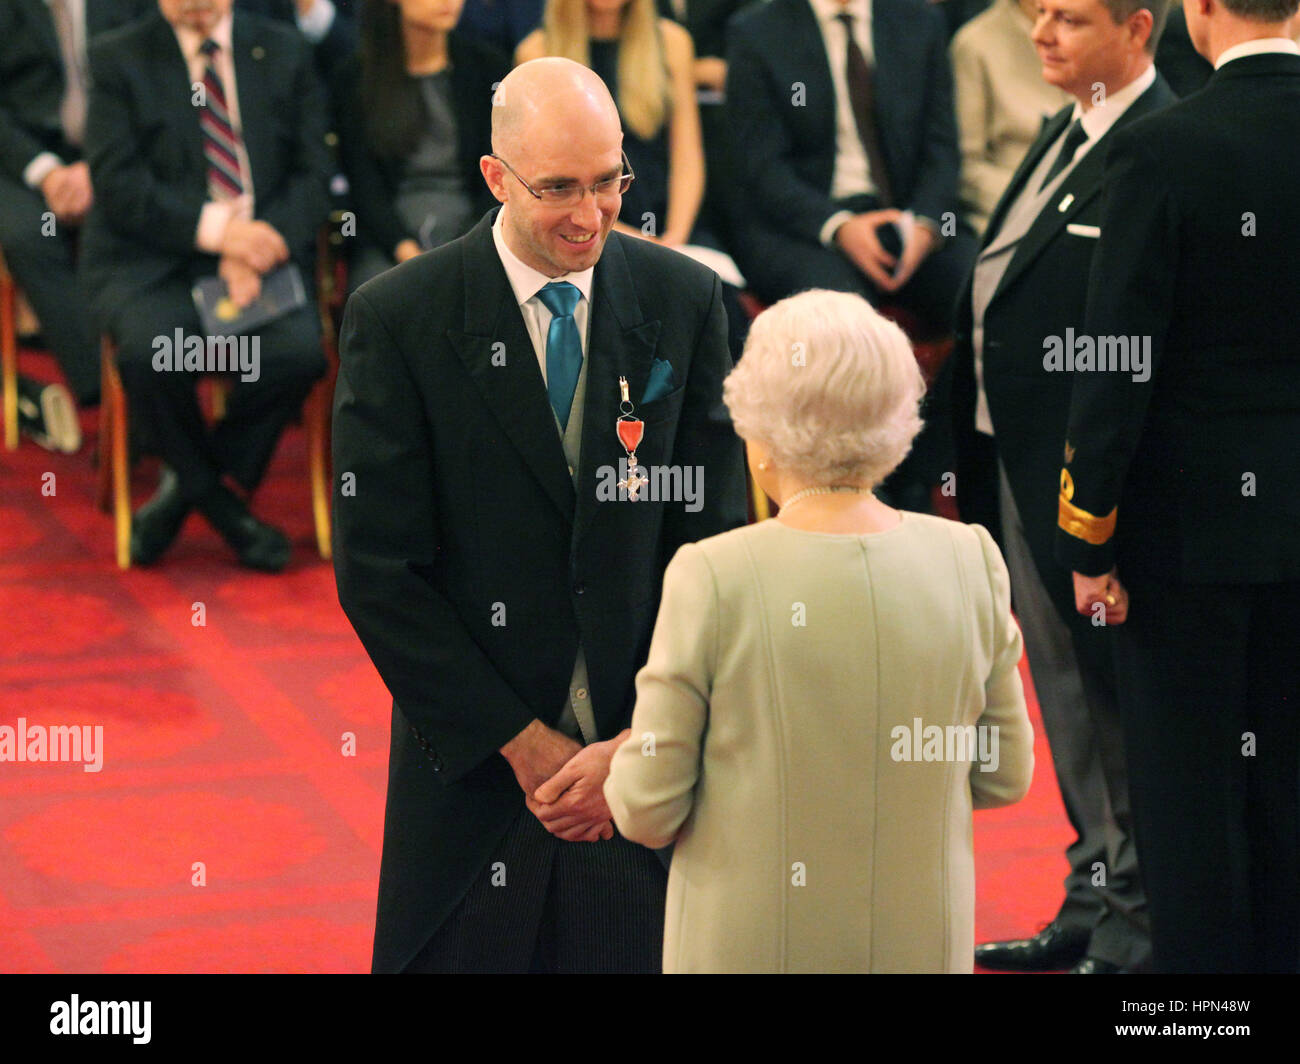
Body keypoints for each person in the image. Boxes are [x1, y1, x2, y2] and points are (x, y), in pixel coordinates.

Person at [332, 56, 747, 974]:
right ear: (494, 177)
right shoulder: (400, 318)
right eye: (558, 188)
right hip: (476, 796)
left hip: (640, 793)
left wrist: (632, 748)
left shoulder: (685, 301)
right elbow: (379, 572)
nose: (590, 215)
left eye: (610, 183)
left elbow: (713, 550)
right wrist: (524, 748)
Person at [603, 289, 1034, 973]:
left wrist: (626, 753)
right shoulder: (970, 557)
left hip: (752, 942)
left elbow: (647, 808)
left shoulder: (714, 574)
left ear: (759, 426)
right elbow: (1003, 774)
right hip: (919, 941)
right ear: (900, 416)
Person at [1056, 0, 1300, 973]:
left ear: (1197, 12)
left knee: (1190, 809)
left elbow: (1116, 363)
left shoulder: (1161, 148)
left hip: (1184, 541)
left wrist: (1089, 536)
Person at [948, 0, 1174, 975]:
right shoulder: (1066, 125)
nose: (1041, 32)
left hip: (1081, 479)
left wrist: (1099, 511)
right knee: (1060, 694)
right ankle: (1090, 886)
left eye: (1069, 19)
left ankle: (1135, 919)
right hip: (1014, 455)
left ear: (1139, 29)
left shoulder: (1153, 142)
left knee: (1109, 704)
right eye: (1035, 13)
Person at [81, 0, 332, 569]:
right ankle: (223, 509)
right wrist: (223, 236)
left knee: (295, 355)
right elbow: (119, 186)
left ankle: (183, 492)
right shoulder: (119, 57)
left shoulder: (283, 49)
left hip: (260, 257)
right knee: (152, 355)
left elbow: (314, 173)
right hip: (151, 261)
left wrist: (261, 241)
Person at [723, 0, 976, 334]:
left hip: (904, 216)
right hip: (804, 227)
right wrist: (839, 227)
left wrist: (926, 225)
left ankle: (952, 389)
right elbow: (761, 166)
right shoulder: (756, 30)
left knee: (983, 285)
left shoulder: (921, 22)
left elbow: (942, 148)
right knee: (843, 319)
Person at [517, 0, 747, 354]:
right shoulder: (537, 52)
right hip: (586, 222)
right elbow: (551, 181)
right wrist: (636, 241)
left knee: (719, 308)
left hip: (671, 221)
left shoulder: (672, 41)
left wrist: (675, 236)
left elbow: (687, 156)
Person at [0, 0, 154, 452]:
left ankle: (157, 383)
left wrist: (99, 167)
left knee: (140, 225)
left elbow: (153, 87)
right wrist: (45, 171)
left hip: (114, 153)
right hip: (21, 161)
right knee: (29, 235)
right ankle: (113, 395)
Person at [337, 0, 508, 289]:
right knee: (380, 297)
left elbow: (501, 173)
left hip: (477, 230)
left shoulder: (488, 68)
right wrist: (406, 250)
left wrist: (466, 246)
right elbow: (364, 186)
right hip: (388, 240)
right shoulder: (355, 78)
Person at [950, 0, 1071, 235]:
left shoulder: (1097, 31)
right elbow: (965, 168)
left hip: (1083, 205)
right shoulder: (975, 42)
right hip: (1007, 217)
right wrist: (1040, 200)